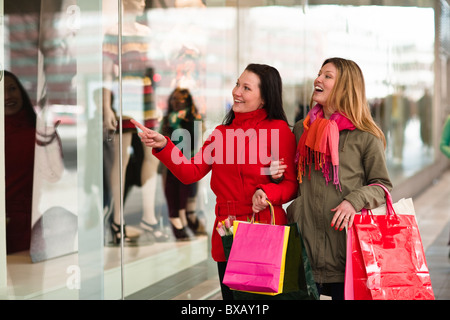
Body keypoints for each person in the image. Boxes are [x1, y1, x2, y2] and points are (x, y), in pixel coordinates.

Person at [132, 63, 298, 300]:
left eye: (246, 88)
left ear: (264, 98)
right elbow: (191, 172)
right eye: (237, 84)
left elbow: (291, 185)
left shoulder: (279, 131)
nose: (236, 92)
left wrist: (266, 192)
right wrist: (164, 145)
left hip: (263, 230)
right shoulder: (221, 133)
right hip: (227, 231)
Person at [284, 57, 393, 300]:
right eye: (319, 74)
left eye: (327, 76)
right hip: (305, 248)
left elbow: (382, 186)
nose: (318, 79)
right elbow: (293, 179)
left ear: (345, 87)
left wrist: (354, 200)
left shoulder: (366, 135)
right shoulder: (302, 129)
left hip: (347, 253)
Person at [102, 0, 168, 244]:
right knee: (121, 159)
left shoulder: (147, 33)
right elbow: (107, 74)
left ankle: (149, 217)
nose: (141, 2)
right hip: (125, 98)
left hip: (147, 98)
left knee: (152, 156)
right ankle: (117, 220)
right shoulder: (113, 33)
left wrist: (160, 103)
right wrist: (107, 106)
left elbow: (155, 71)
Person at [4, 70, 63, 254]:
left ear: (21, 92)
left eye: (12, 88)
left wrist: (50, 144)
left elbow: (54, 177)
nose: (7, 96)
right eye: (0, 90)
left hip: (27, 228)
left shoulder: (39, 134)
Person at [159, 87, 205, 240]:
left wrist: (178, 125)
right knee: (172, 195)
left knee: (188, 194)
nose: (176, 102)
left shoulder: (193, 118)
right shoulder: (167, 119)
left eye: (180, 99)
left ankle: (189, 220)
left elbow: (194, 140)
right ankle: (178, 224)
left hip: (189, 160)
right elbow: (162, 139)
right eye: (173, 99)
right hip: (170, 163)